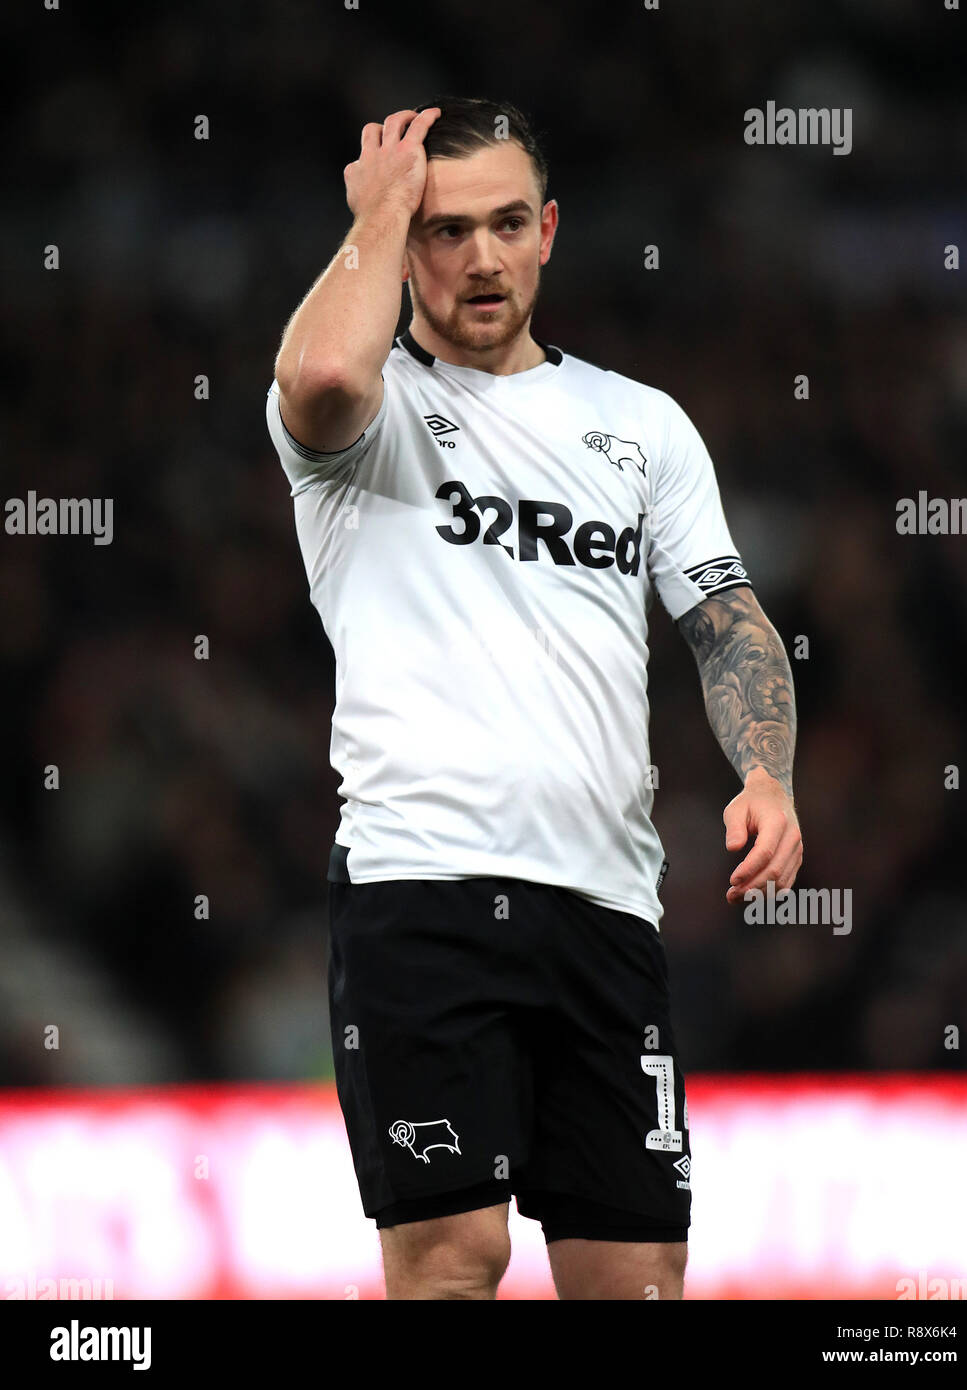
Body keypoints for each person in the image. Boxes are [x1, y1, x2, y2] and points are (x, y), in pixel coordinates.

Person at [266, 96, 802, 1300]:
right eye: (445, 229)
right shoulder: (365, 414)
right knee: (454, 1260)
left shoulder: (639, 424)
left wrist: (764, 767)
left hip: (604, 905)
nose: (482, 257)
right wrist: (375, 213)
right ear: (402, 242)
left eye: (507, 223)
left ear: (548, 229)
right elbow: (320, 370)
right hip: (422, 890)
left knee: (638, 1274)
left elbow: (724, 617)